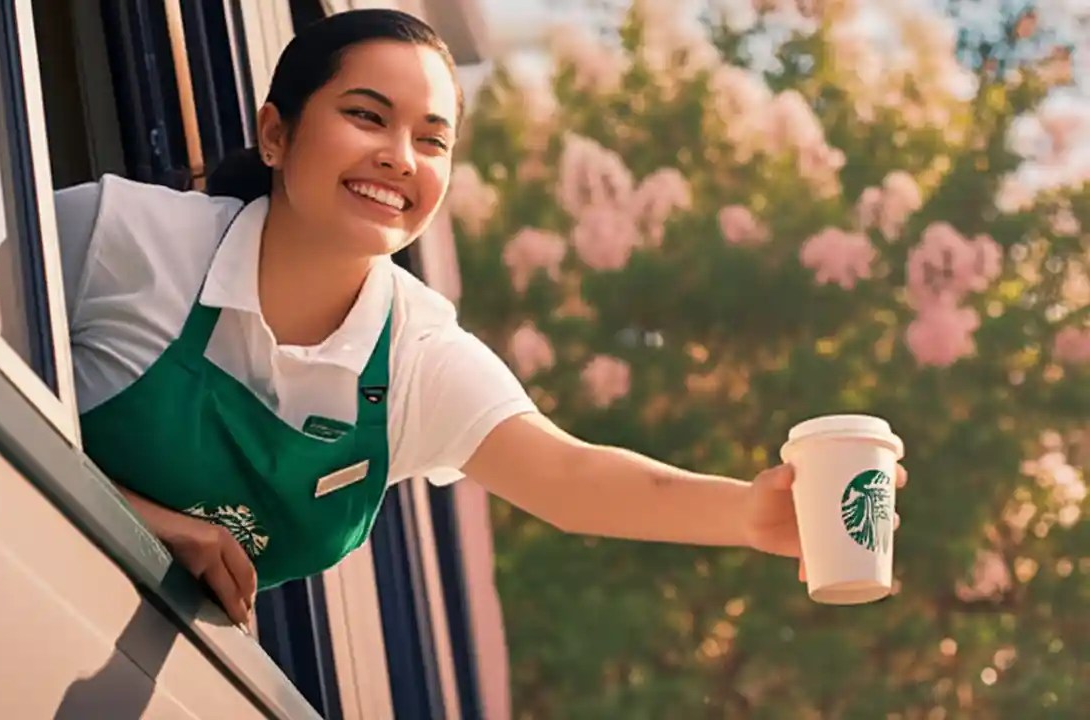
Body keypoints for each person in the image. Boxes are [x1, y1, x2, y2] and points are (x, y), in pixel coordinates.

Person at [54, 9, 906, 628]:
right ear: (276, 133)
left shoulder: (417, 357)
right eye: (365, 116)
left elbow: (570, 480)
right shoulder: (121, 239)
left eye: (433, 139)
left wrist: (750, 515)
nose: (399, 155)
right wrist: (149, 522)